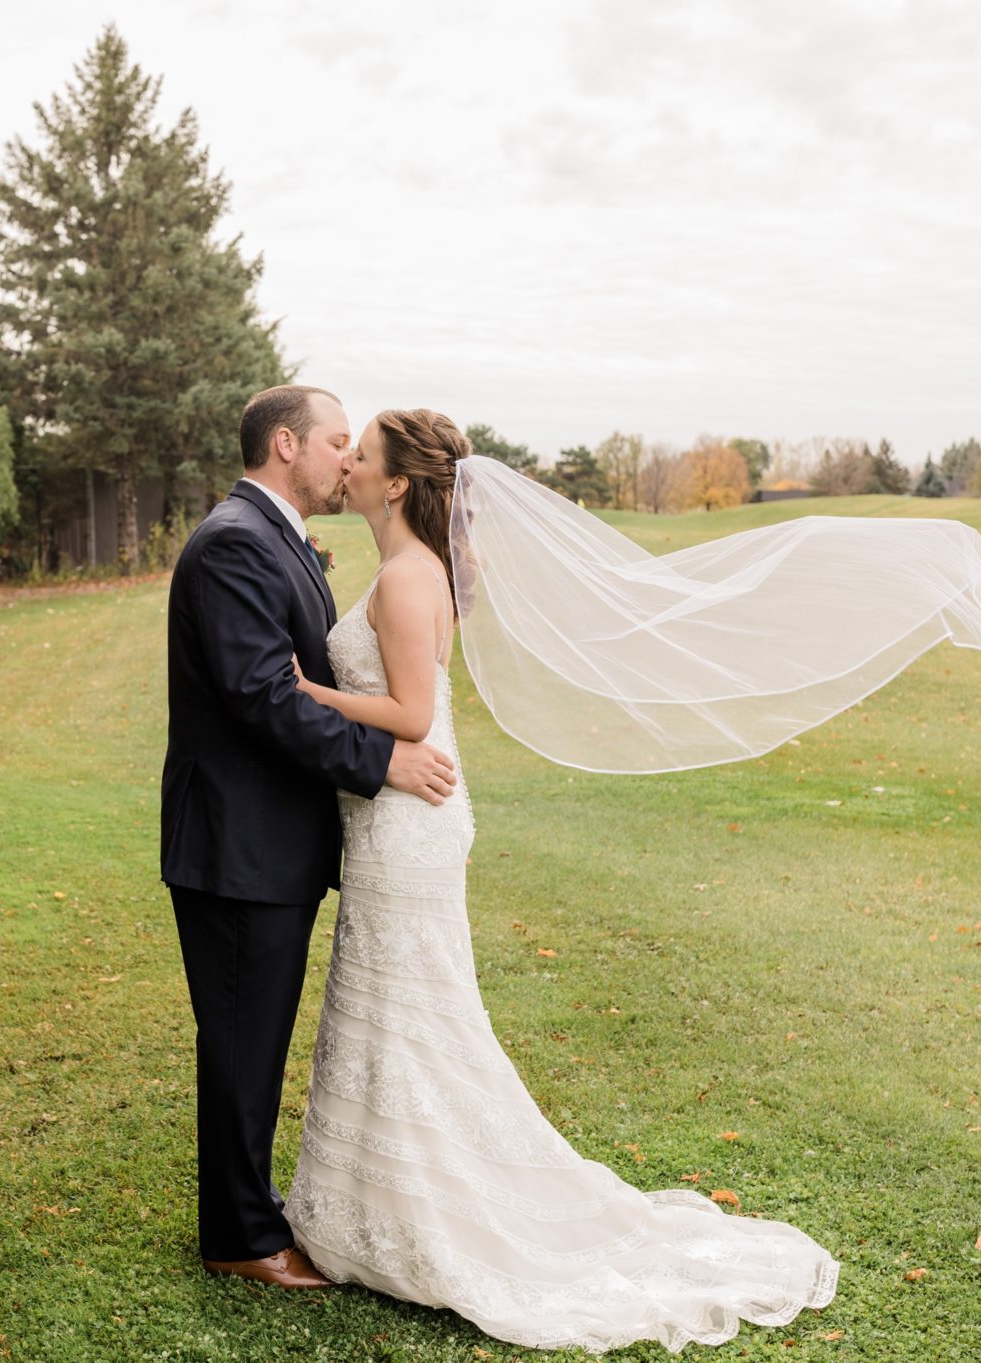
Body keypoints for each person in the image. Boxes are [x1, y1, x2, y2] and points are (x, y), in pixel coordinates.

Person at [281, 408, 844, 1351]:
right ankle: (373, 1198)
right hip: (396, 819)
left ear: (394, 484)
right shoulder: (406, 573)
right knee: (398, 1008)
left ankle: (422, 1211)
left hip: (408, 820)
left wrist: (304, 691)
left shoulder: (411, 579)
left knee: (416, 1008)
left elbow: (412, 714)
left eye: (364, 456)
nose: (349, 466)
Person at [160, 384, 458, 1289]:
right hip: (238, 844)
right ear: (286, 445)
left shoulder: (274, 538)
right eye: (336, 440)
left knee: (254, 1033)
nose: (346, 458)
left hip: (269, 842)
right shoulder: (235, 546)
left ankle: (254, 1216)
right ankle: (243, 1237)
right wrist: (383, 762)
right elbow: (264, 698)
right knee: (244, 1037)